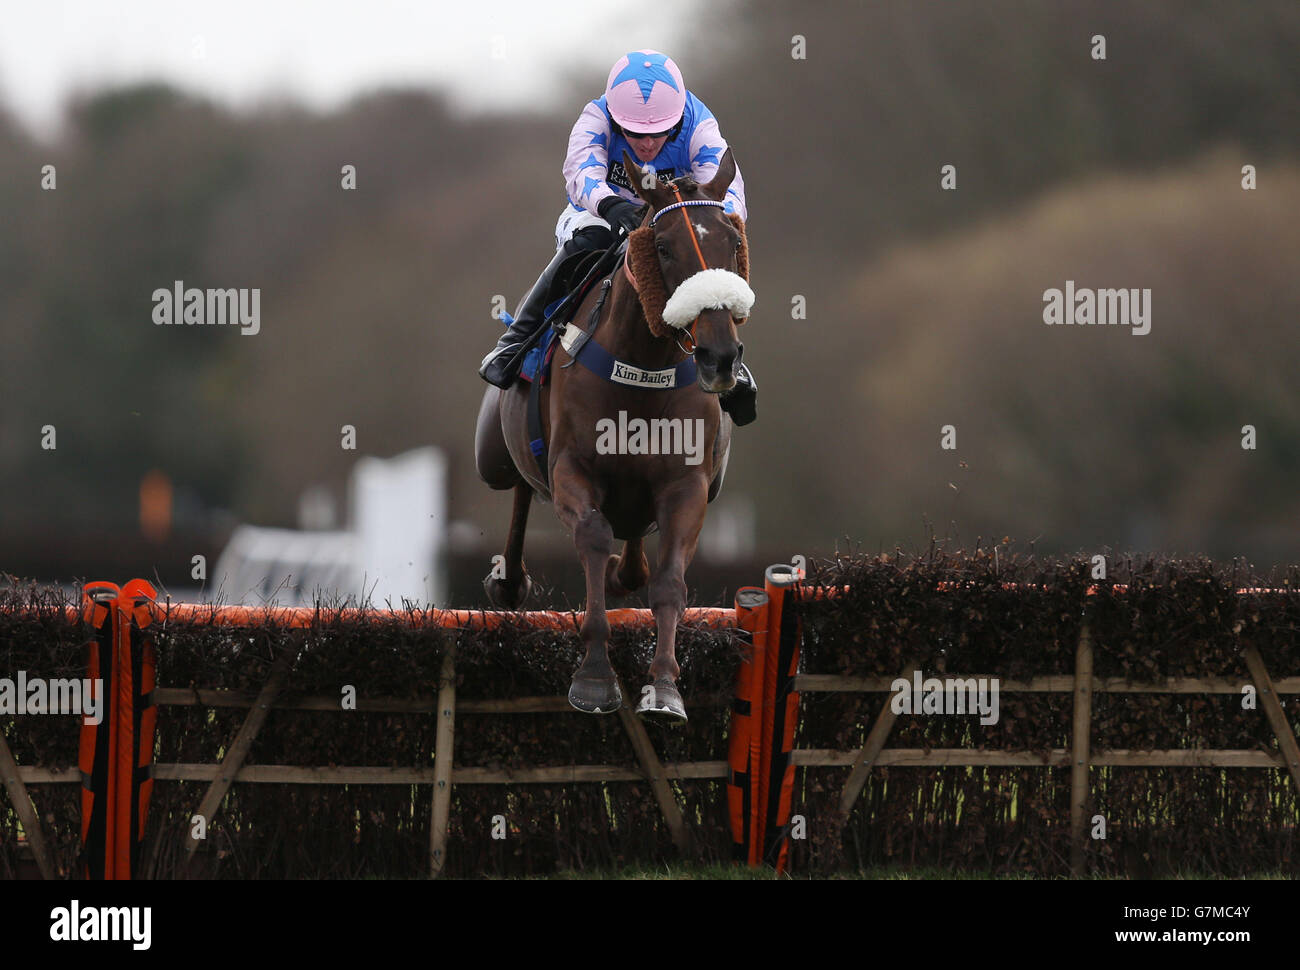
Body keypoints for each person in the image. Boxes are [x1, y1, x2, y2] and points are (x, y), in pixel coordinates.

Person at [478, 49, 757, 424]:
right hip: (598, 212)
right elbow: (580, 172)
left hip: (672, 218)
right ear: (615, 117)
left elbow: (728, 189)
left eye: (657, 133)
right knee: (591, 238)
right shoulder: (595, 117)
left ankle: (731, 362)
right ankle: (516, 342)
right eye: (634, 133)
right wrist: (610, 206)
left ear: (676, 120)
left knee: (710, 244)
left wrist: (711, 222)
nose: (645, 144)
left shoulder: (699, 122)